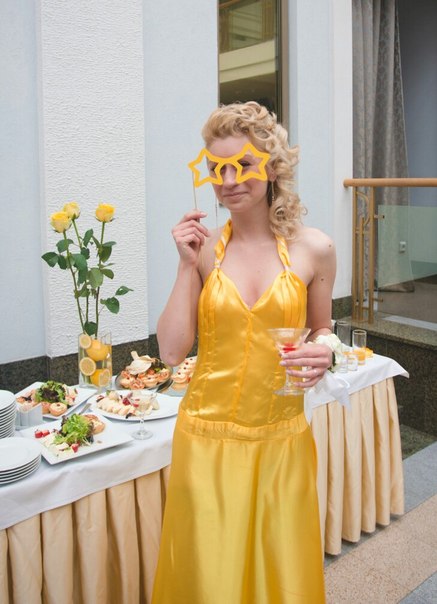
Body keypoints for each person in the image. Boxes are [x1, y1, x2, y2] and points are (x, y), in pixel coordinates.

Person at [152, 101, 337, 603]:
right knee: (210, 579)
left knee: (280, 575)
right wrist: (185, 266)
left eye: (243, 165)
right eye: (217, 169)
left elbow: (322, 330)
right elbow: (171, 352)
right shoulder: (203, 251)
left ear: (272, 168)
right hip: (205, 440)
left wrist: (326, 353)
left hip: (282, 439)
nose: (229, 180)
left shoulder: (314, 249)